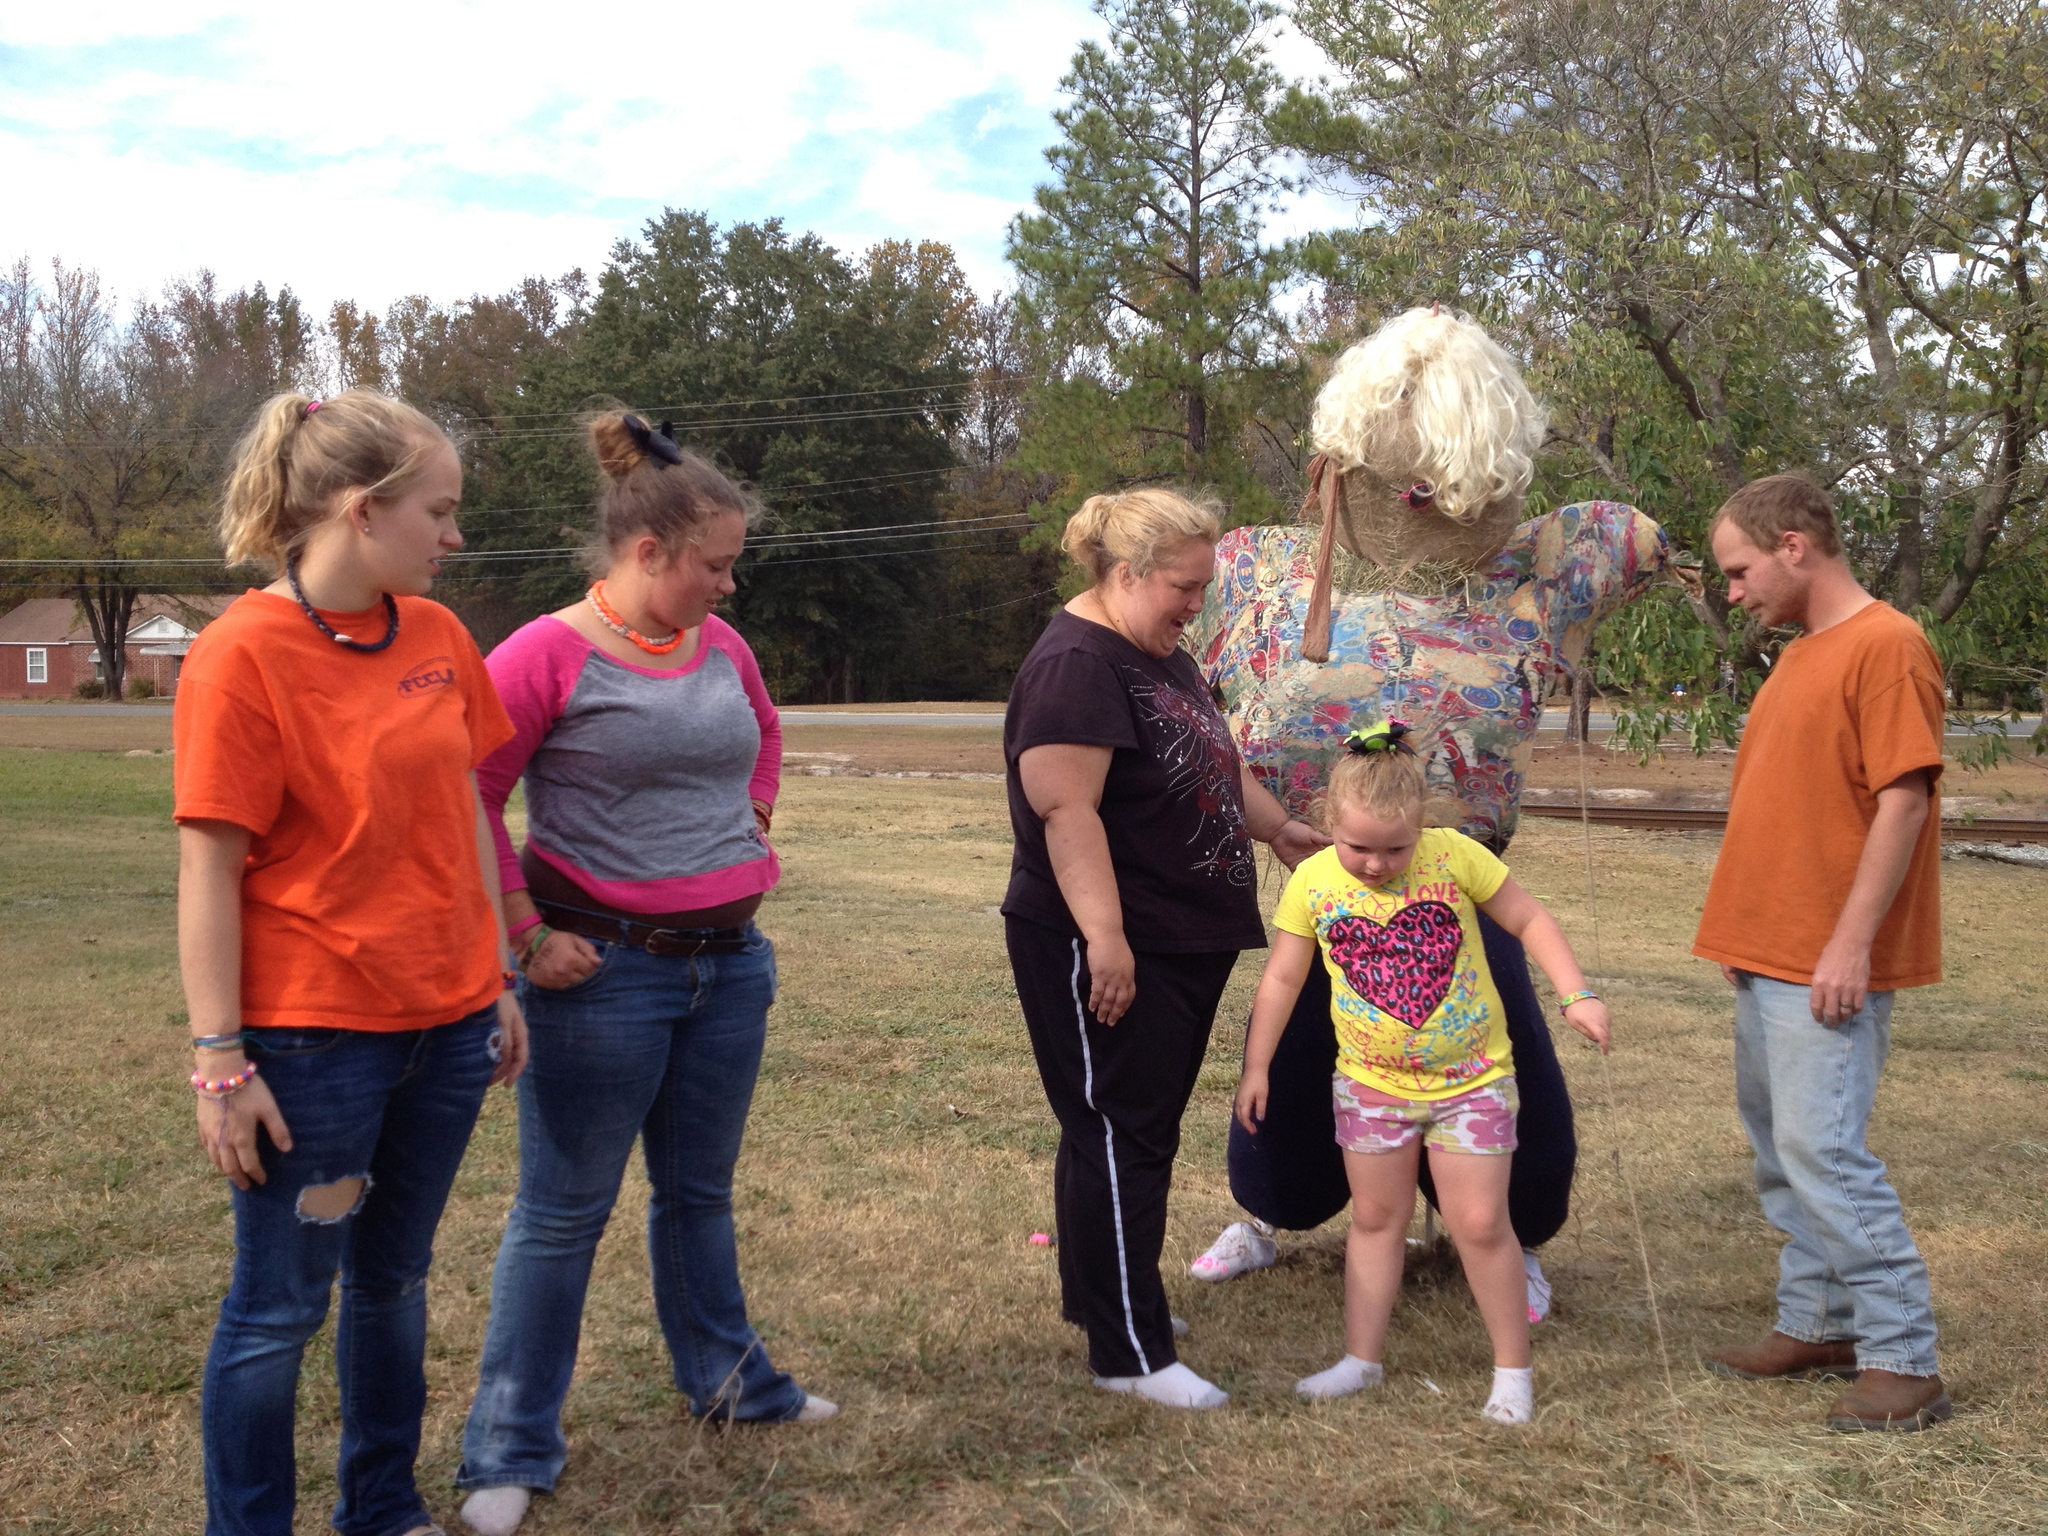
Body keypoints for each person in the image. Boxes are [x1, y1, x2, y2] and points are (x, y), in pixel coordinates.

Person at [1184, 306, 1690, 1314]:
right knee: (1285, 1083)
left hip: (1458, 893)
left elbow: (1638, 539)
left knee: (1504, 1093)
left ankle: (1494, 1230)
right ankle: (1269, 1213)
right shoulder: (1257, 572)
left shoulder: (1540, 572)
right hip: (1320, 891)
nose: (1422, 505)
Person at [456, 413, 828, 1536]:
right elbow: (463, 792)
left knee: (699, 1195)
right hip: (599, 979)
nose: (727, 585)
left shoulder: (721, 648)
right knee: (562, 1213)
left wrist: (748, 824)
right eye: (714, 564)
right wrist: (520, 932)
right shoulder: (541, 653)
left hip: (730, 971)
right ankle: (507, 1450)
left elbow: (763, 733)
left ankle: (731, 1384)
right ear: (647, 551)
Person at [175, 390, 526, 1536]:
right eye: (441, 510)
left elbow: (467, 811)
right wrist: (221, 1061)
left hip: (447, 1024)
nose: (454, 536)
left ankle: (381, 1507)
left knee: (396, 1279)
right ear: (361, 510)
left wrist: (498, 976)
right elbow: (210, 871)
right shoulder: (240, 656)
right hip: (315, 1043)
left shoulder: (435, 635)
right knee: (281, 1309)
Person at [1003, 487, 1327, 1412]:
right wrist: (1104, 938)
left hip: (1180, 935)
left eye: (1202, 587)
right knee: (1121, 1134)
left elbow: (1213, 759)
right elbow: (1065, 811)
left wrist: (1277, 830)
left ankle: (1107, 1299)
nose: (1196, 604)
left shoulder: (1159, 653)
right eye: (1184, 587)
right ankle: (1128, 1352)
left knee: (1122, 1131)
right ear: (1126, 573)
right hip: (1113, 937)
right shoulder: (1075, 664)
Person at [1235, 721, 1609, 1423]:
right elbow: (1283, 980)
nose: (1376, 866)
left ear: (1424, 827)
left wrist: (1576, 993)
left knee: (1479, 1223)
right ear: (1328, 826)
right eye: (1358, 849)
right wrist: (1258, 1066)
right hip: (1371, 1087)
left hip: (1472, 1083)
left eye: (1395, 849)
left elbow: (1529, 920)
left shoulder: (1454, 857)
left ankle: (1511, 1371)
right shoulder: (1315, 882)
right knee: (1376, 1221)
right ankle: (1361, 1359)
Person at [1693, 473, 1951, 1432]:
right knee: (1782, 1151)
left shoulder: (1886, 645)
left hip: (1824, 961)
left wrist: (1849, 944)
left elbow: (1905, 801)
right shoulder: (1801, 654)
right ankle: (1819, 1322)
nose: (1733, 590)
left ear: (1794, 545)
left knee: (1824, 1150)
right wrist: (1741, 931)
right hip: (1768, 950)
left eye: (1739, 570)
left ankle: (1903, 1357)